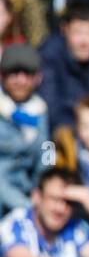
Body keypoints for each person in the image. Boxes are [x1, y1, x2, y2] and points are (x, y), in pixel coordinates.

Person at [38, 1, 89, 129]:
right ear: (64, 29)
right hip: (60, 132)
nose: (84, 41)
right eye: (78, 32)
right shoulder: (48, 57)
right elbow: (51, 110)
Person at [0, 44, 49, 215]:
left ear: (38, 78)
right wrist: (27, 207)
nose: (20, 81)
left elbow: (47, 152)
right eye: (13, 74)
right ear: (2, 76)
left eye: (27, 74)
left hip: (27, 190)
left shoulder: (39, 110)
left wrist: (45, 186)